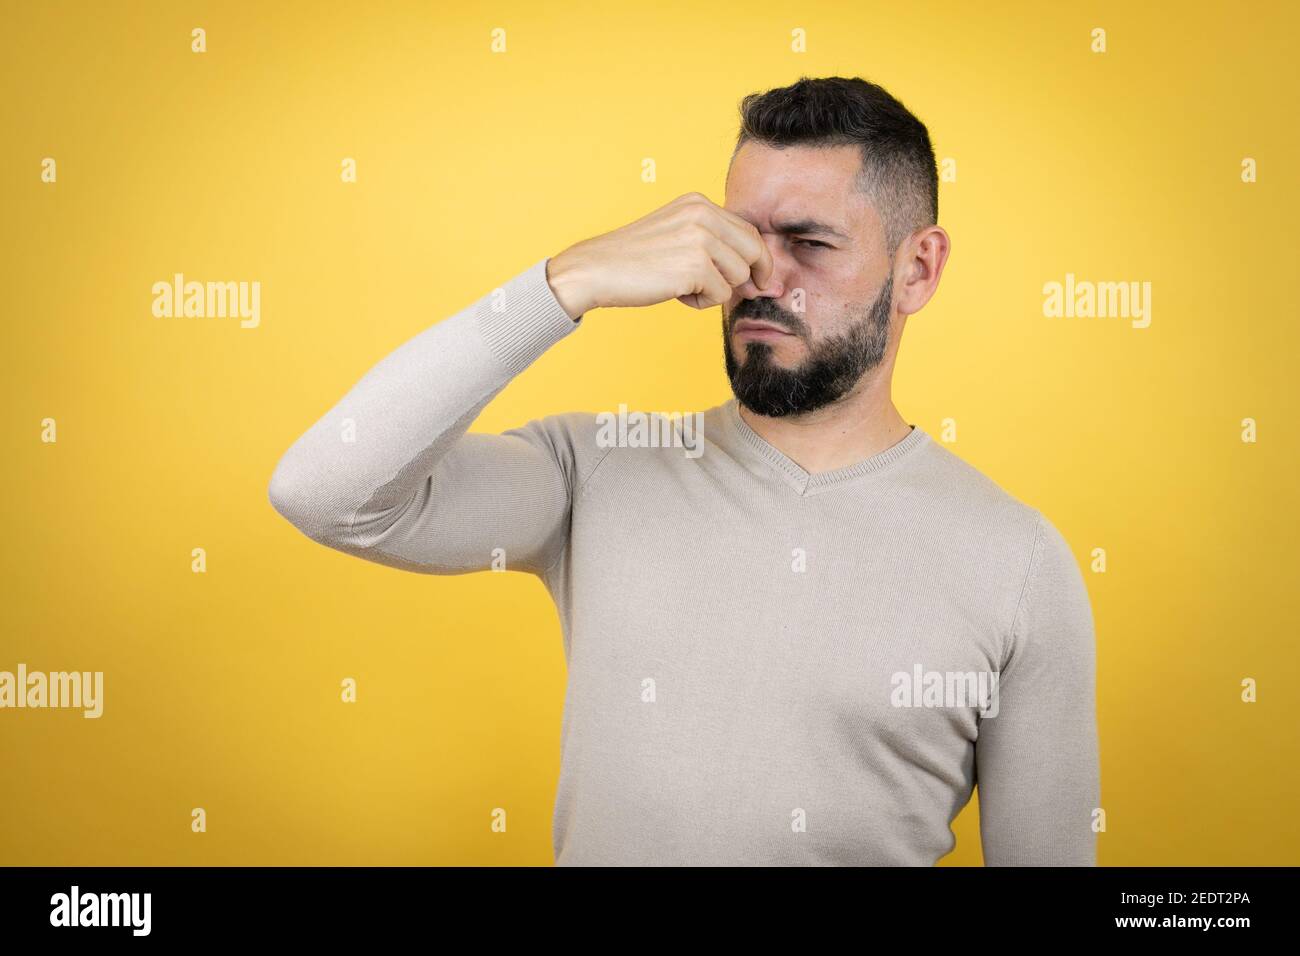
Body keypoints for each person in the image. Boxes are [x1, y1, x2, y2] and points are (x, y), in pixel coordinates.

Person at [268, 75, 1100, 866]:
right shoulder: (591, 470)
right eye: (741, 238)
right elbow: (326, 494)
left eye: (809, 243)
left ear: (917, 269)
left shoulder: (1017, 563)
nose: (762, 279)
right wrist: (563, 283)